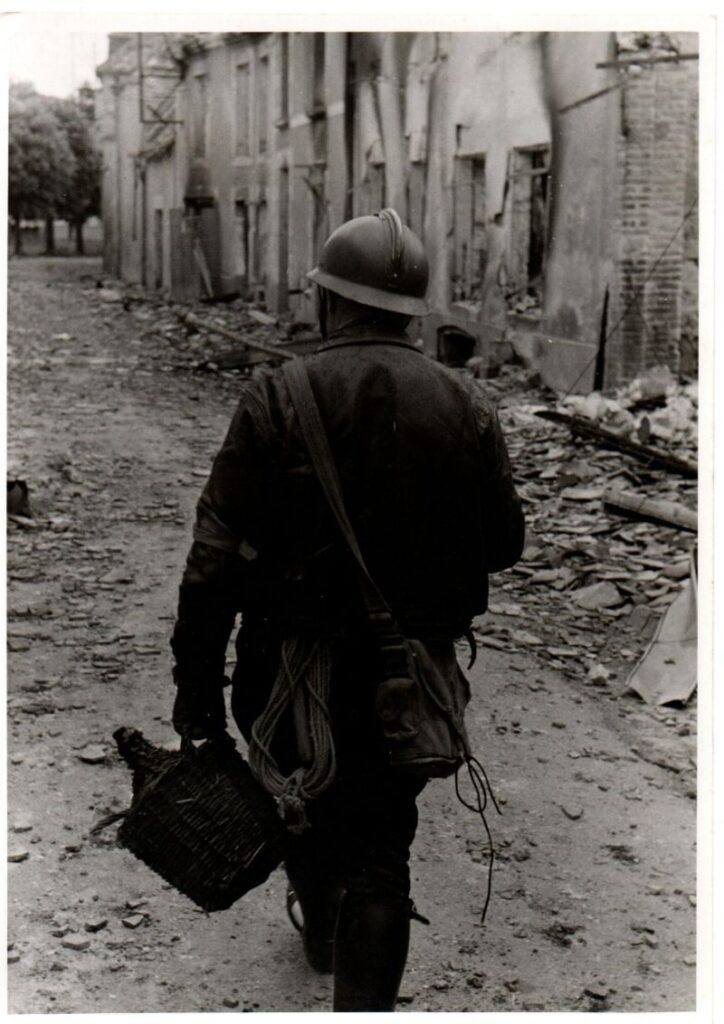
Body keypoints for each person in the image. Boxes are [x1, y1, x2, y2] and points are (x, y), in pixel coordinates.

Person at [170, 208, 525, 1011]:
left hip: (282, 673)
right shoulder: (466, 405)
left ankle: (322, 926)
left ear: (328, 302)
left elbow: (210, 565)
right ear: (412, 313)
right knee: (380, 851)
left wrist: (196, 695)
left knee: (300, 800)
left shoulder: (274, 398)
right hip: (406, 687)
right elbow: (504, 545)